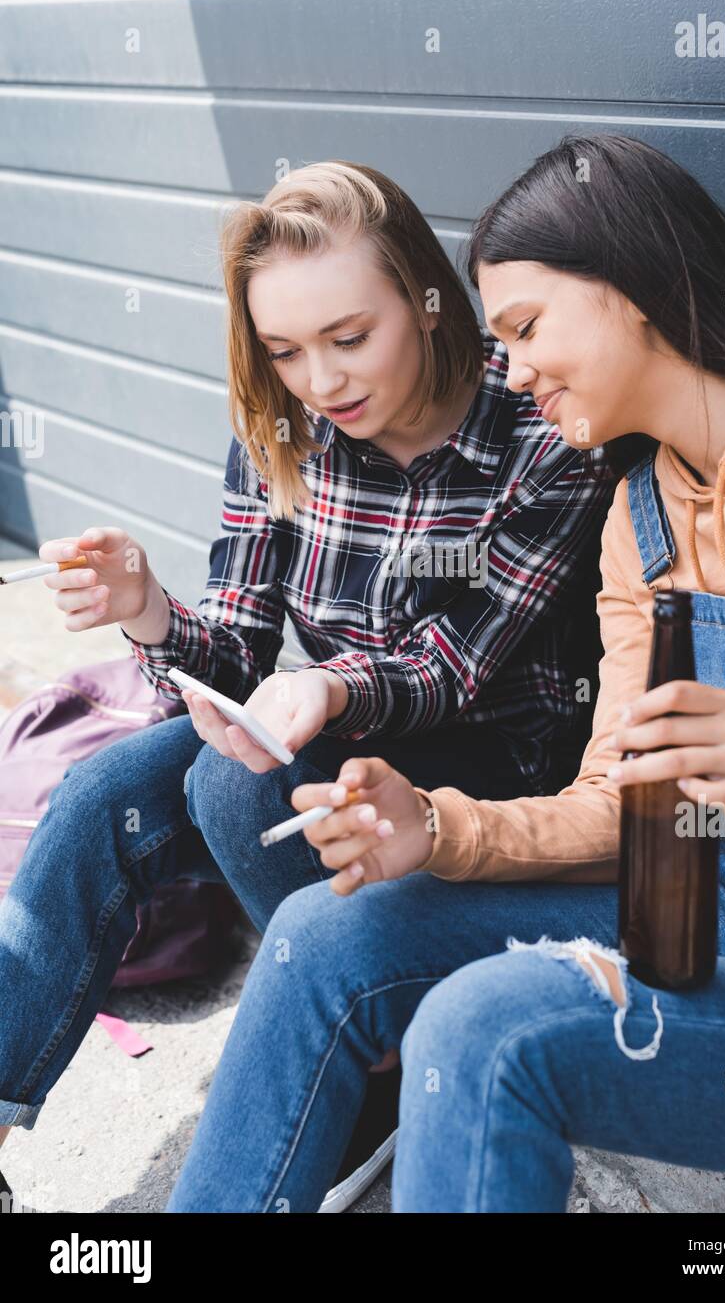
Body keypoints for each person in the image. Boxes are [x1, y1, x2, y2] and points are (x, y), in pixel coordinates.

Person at [163, 134, 725, 1214]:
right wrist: (434, 830)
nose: (516, 370)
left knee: (487, 1028)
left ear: (639, 291)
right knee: (319, 935)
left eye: (530, 330)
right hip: (711, 932)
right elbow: (613, 804)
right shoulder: (642, 518)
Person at [0, 160, 614, 1214]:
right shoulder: (282, 427)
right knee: (109, 791)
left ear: (425, 301)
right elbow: (232, 650)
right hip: (324, 734)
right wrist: (149, 607)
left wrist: (325, 687)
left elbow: (456, 660)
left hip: (499, 764)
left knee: (240, 788)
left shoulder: (539, 428)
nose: (321, 380)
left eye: (348, 336)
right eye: (285, 350)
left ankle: (365, 1070)